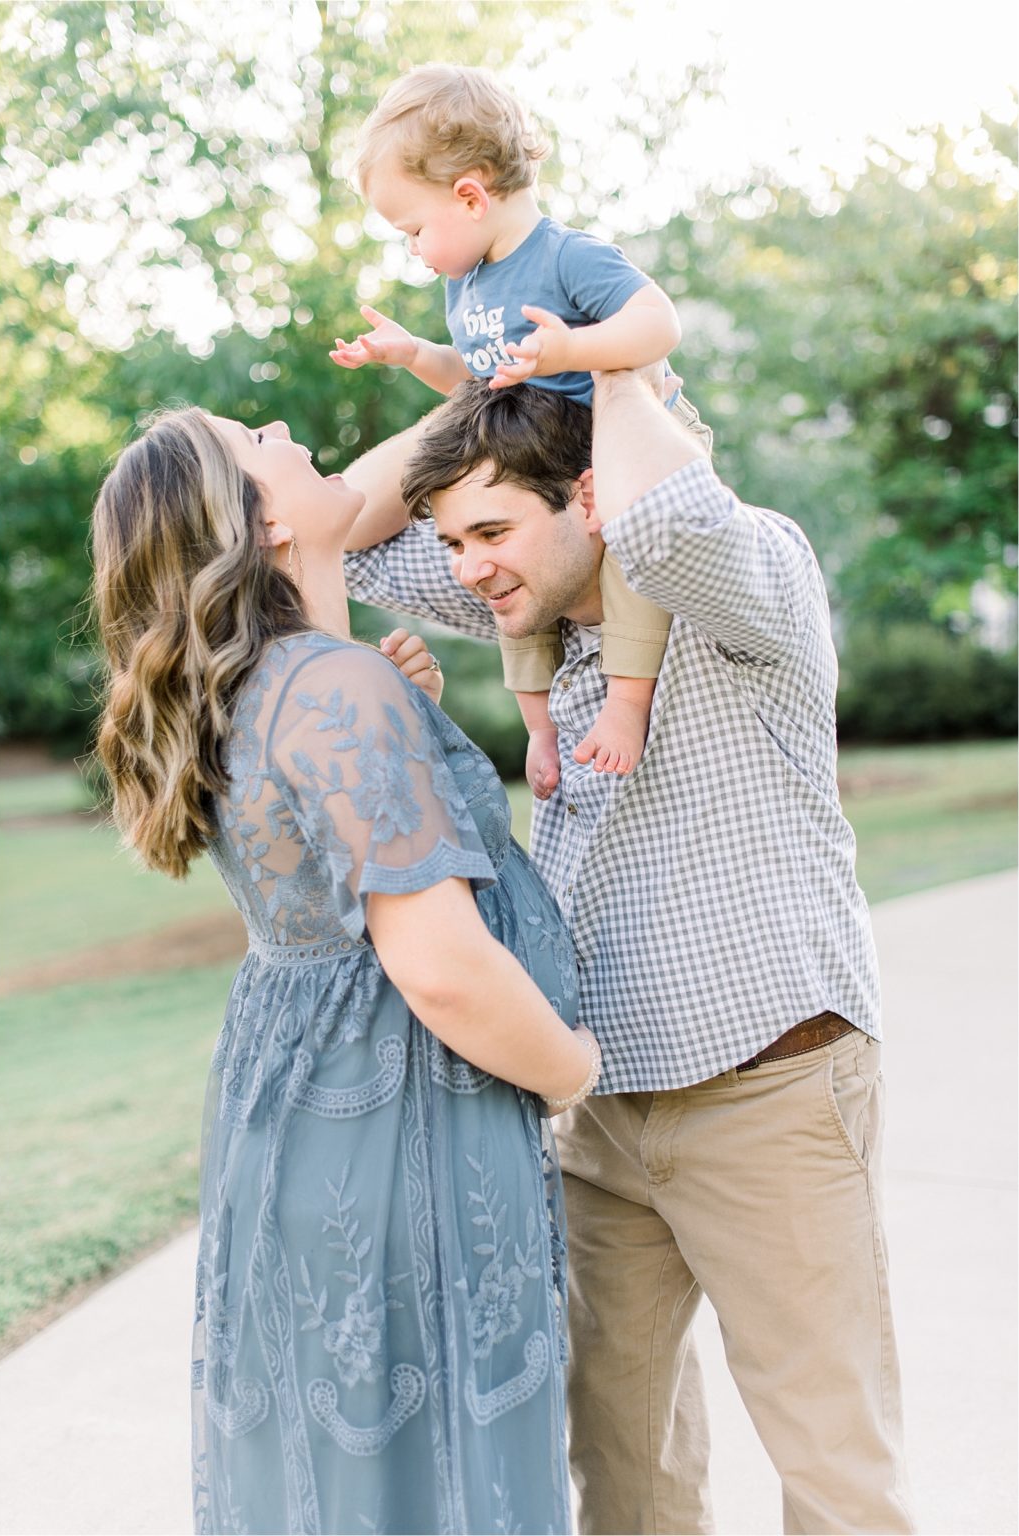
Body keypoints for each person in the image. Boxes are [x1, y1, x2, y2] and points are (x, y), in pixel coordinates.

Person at [342, 375, 916, 1535]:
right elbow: (346, 534)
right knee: (624, 1470)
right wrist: (479, 375)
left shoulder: (742, 585)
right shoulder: (537, 616)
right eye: (454, 542)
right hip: (604, 1112)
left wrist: (609, 358)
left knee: (835, 1471)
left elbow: (671, 519)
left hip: (768, 1089)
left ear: (592, 496)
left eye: (493, 532)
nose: (467, 568)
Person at [91, 406, 602, 1536]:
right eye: (256, 437)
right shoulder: (333, 691)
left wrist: (397, 702)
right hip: (400, 1119)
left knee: (352, 1482)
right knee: (437, 1477)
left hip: (299, 1118)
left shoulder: (268, 685)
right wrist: (570, 1068)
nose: (286, 426)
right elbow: (440, 967)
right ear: (262, 520)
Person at [331, 62, 698, 800]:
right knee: (519, 599)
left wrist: (572, 350)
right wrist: (415, 355)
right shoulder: (467, 285)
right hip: (543, 469)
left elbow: (659, 325)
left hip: (628, 456)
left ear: (470, 196)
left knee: (633, 557)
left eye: (414, 230)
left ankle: (628, 704)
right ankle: (540, 727)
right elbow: (479, 382)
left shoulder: (567, 256)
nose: (414, 249)